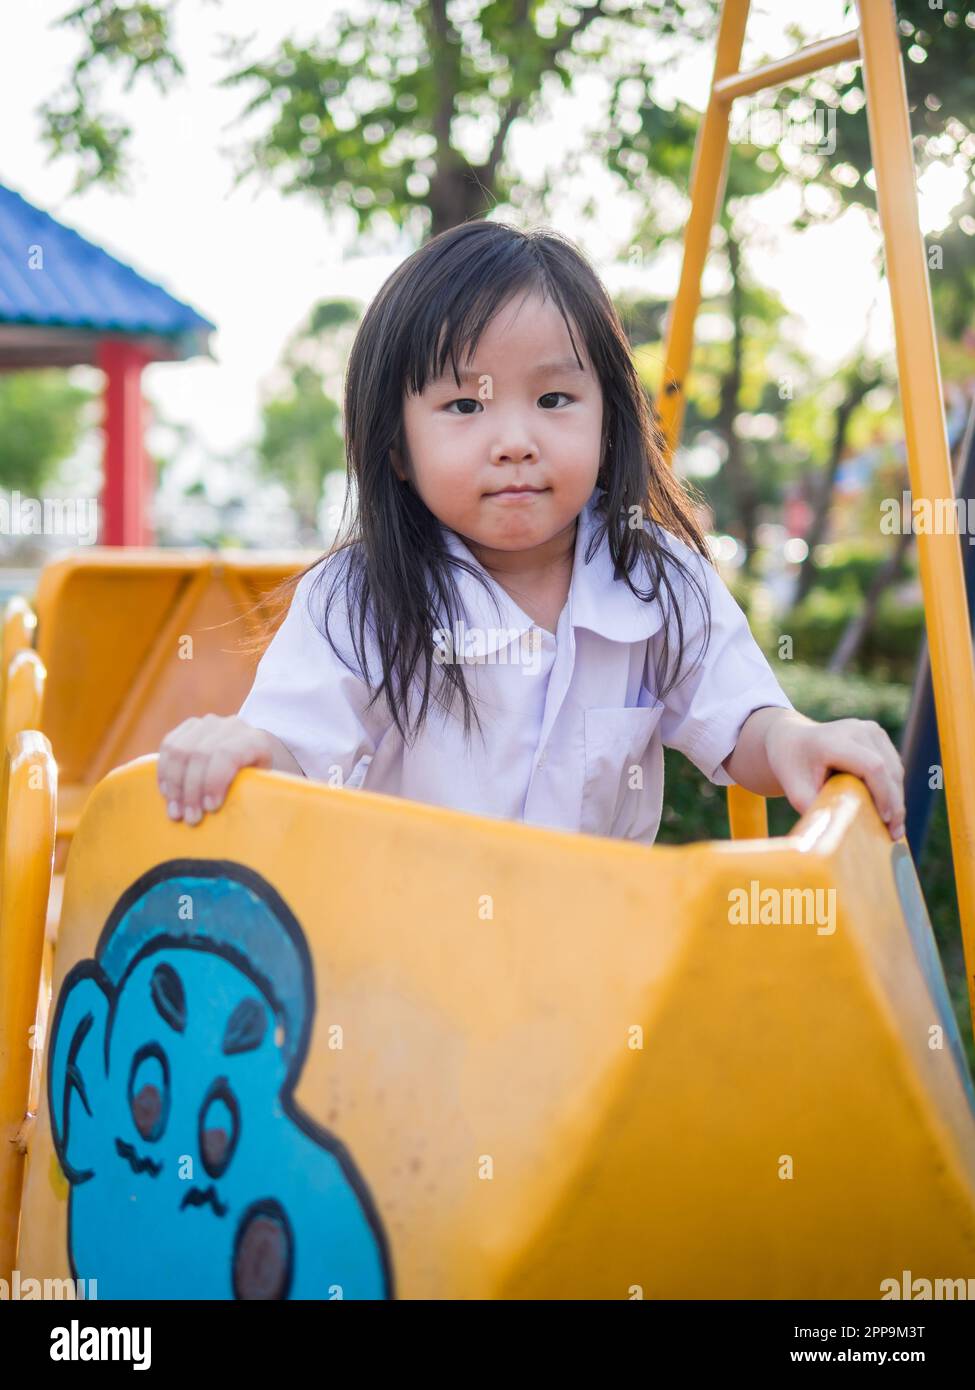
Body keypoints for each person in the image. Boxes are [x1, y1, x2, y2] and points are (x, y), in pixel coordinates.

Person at [156, 221, 905, 845]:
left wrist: (795, 741)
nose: (514, 440)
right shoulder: (359, 597)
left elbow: (740, 718)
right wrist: (245, 745)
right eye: (463, 406)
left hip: (595, 983)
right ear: (395, 447)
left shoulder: (656, 580)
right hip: (403, 980)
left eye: (553, 397)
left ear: (608, 419)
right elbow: (295, 743)